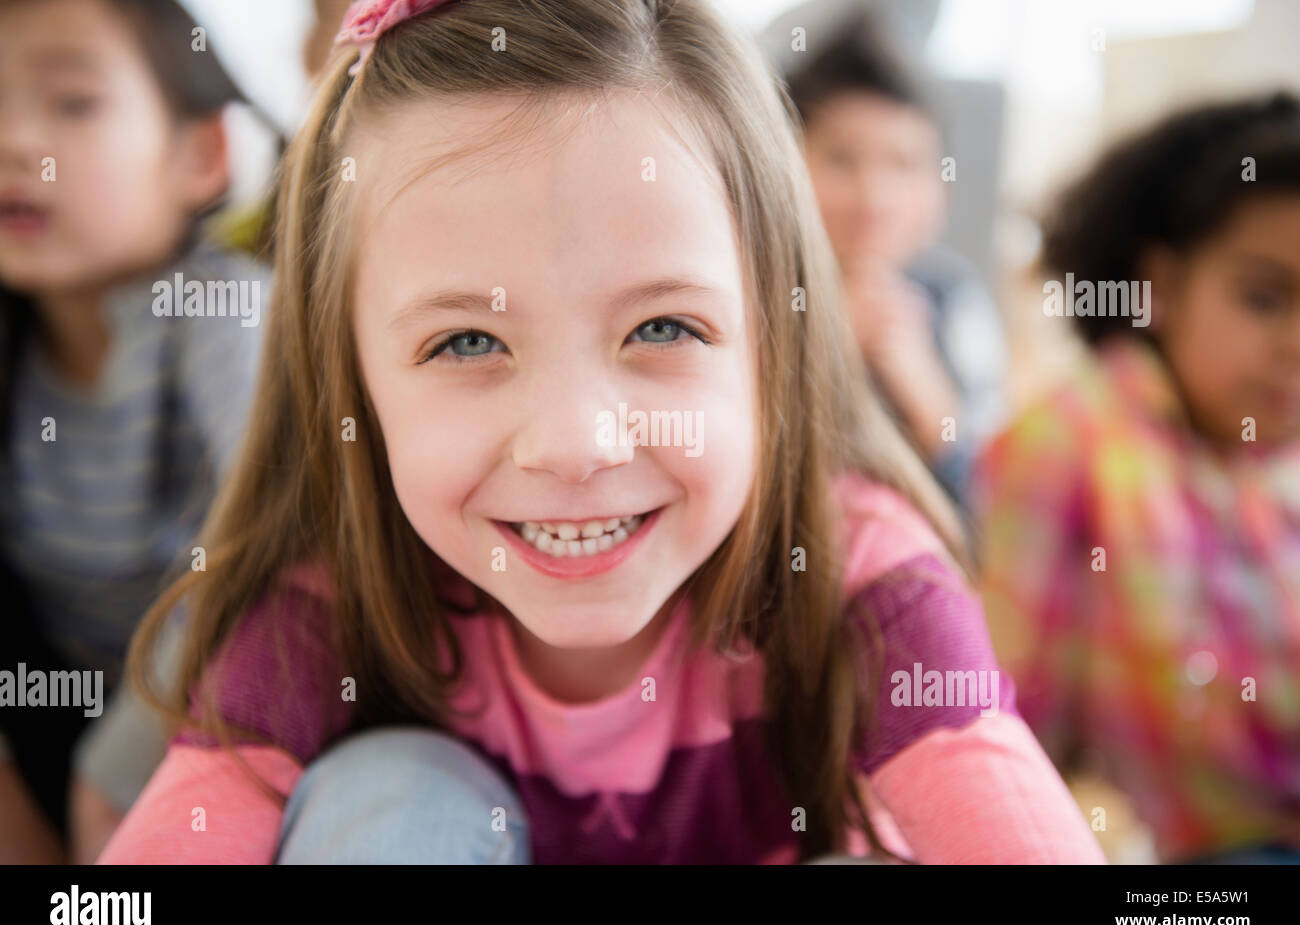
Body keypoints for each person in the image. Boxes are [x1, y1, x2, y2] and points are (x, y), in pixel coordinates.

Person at [99, 0, 1102, 865]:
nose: (575, 444)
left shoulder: (863, 571)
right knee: (396, 786)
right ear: (346, 378)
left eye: (662, 327)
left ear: (774, 335)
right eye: (465, 341)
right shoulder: (329, 597)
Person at [976, 92, 1300, 864]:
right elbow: (1002, 712)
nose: (1296, 344)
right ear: (1161, 287)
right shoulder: (1070, 439)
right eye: (1263, 297)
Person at [0, 0, 267, 863]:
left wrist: (115, 770)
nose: (11, 143)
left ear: (203, 153)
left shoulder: (226, 315)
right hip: (50, 726)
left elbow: (267, 546)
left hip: (227, 710)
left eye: (72, 103)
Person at [786, 16, 1007, 507]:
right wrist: (829, 353)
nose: (874, 198)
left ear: (942, 189)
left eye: (904, 163)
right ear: (779, 164)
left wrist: (926, 394)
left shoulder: (954, 299)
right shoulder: (754, 289)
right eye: (841, 159)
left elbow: (995, 499)